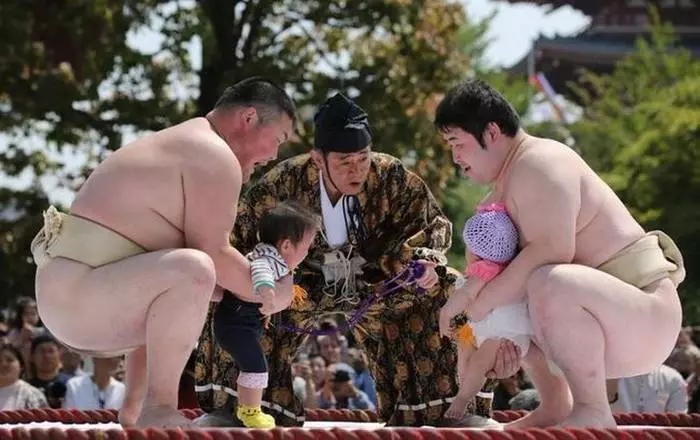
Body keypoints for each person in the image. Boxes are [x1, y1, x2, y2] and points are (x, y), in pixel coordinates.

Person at [195, 92, 519, 428]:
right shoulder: (283, 182)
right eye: (345, 162)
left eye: (363, 159)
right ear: (318, 159)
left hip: (378, 284)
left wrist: (425, 262)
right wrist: (255, 283)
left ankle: (448, 408)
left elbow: (429, 224)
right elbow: (236, 238)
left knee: (448, 287)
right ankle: (235, 409)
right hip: (297, 288)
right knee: (237, 292)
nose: (357, 170)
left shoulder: (390, 175)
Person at [30, 77, 297, 428]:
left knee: (188, 282)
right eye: (278, 139)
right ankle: (159, 407)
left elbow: (174, 281)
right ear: (248, 118)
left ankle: (135, 408)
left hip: (75, 296)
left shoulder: (188, 143)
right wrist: (274, 294)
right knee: (195, 270)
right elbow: (213, 255)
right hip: (81, 295)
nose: (275, 155)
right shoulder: (213, 154)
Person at [434, 79, 685, 428]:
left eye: (457, 143)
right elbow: (498, 280)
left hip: (645, 315)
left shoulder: (540, 163)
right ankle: (556, 405)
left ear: (491, 132)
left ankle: (592, 409)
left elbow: (553, 249)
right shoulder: (504, 186)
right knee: (520, 290)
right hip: (606, 315)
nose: (455, 157)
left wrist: (478, 305)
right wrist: (487, 329)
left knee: (546, 279)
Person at [213, 201, 320, 428]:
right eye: (307, 246)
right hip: (236, 323)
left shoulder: (273, 256)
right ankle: (251, 411)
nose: (308, 252)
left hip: (239, 322)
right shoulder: (268, 259)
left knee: (251, 365)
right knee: (256, 366)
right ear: (287, 246)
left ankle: (246, 409)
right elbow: (260, 270)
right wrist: (268, 295)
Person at [439, 202, 538, 420]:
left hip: (505, 337)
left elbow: (462, 297)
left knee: (478, 360)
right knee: (464, 345)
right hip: (485, 331)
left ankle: (462, 399)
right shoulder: (509, 268)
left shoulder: (486, 270)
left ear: (474, 251)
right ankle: (465, 381)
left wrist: (445, 314)